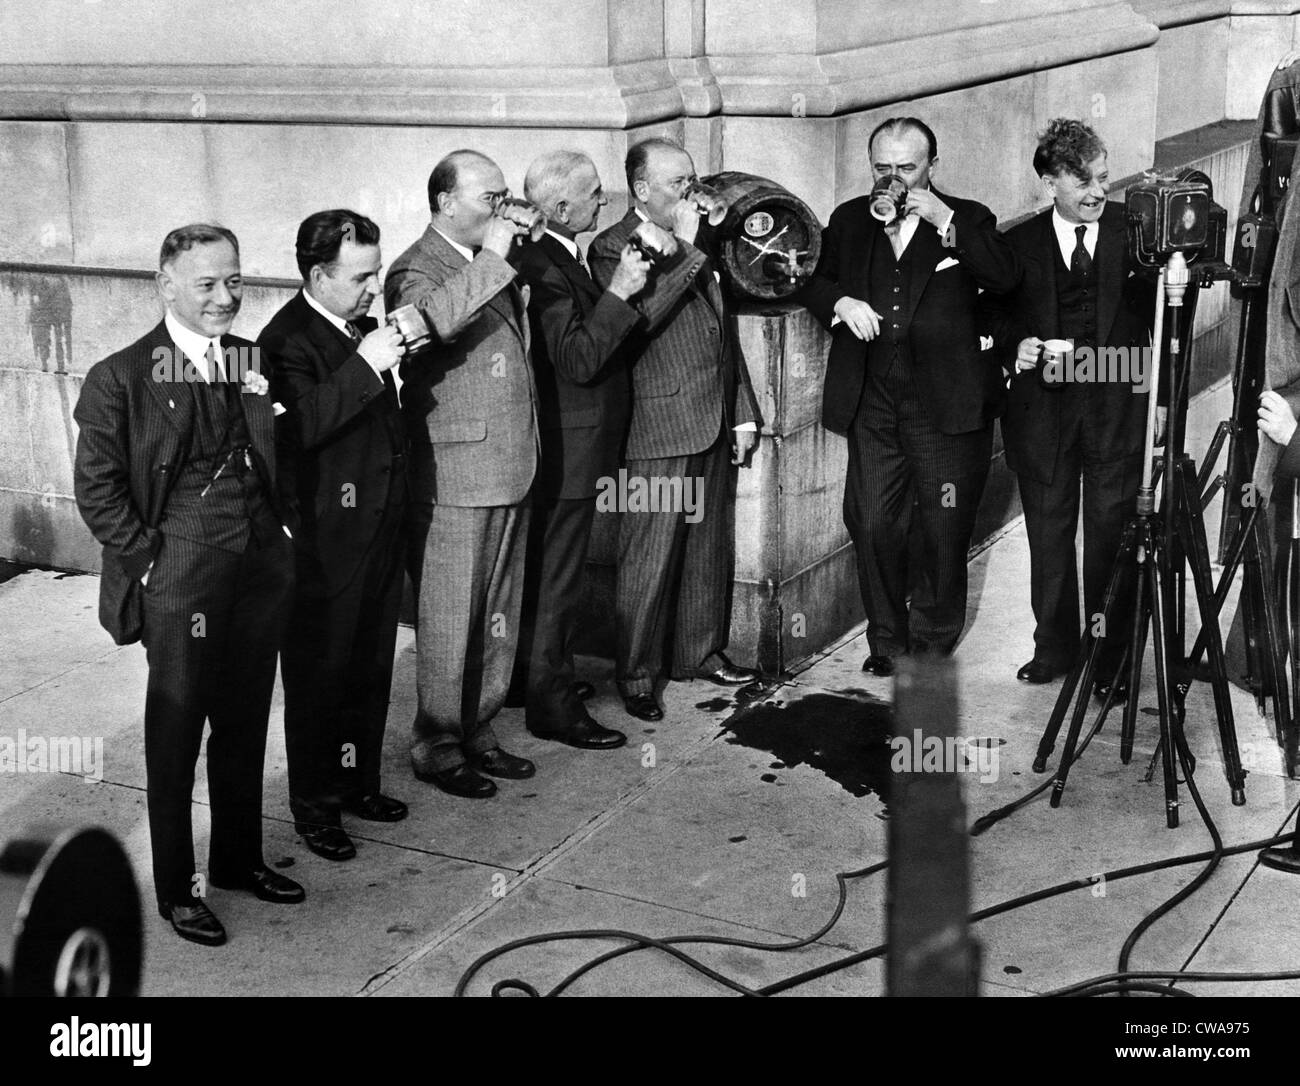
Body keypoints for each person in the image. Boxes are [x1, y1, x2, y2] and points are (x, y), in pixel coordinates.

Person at [73, 223, 303, 947]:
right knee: (176, 731)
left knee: (242, 721)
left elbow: (278, 450)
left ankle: (237, 860)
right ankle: (179, 889)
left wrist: (284, 531)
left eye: (233, 281)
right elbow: (97, 488)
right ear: (166, 284)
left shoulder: (249, 360)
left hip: (258, 568)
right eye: (207, 284)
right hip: (180, 574)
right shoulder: (121, 377)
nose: (224, 297)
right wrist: (149, 562)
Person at [799, 117, 1019, 675]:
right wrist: (840, 304)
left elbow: (1005, 279)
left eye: (906, 167)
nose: (892, 179)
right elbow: (811, 279)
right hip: (873, 397)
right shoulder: (850, 220)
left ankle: (932, 637)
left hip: (945, 401)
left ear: (931, 168)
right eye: (881, 168)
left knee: (942, 526)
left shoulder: (967, 218)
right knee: (871, 521)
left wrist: (947, 223)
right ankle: (886, 638)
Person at [588, 137, 762, 723]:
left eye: (691, 180)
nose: (690, 192)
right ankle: (636, 674)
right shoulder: (612, 247)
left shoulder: (699, 243)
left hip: (710, 418)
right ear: (641, 190)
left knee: (706, 550)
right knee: (647, 556)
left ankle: (699, 652)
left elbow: (722, 330)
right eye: (676, 184)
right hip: (657, 427)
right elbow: (636, 323)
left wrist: (741, 410)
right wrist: (686, 246)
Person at [983, 119, 1157, 699]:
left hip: (1114, 409)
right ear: (1048, 183)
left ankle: (1110, 662)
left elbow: (1159, 315)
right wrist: (1019, 346)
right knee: (1049, 535)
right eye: (1081, 181)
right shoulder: (1018, 246)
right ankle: (1052, 647)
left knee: (1109, 535)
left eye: (1102, 178)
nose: (1096, 192)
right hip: (1042, 416)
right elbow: (990, 313)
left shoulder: (1134, 237)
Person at [384, 150, 539, 799]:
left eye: (505, 196)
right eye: (490, 198)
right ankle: (437, 740)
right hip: (454, 468)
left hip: (508, 461)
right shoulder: (415, 268)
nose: (502, 210)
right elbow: (431, 325)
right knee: (450, 613)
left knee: (497, 610)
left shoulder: (488, 258)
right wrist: (495, 261)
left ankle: (479, 725)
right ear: (446, 202)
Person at [258, 209, 410, 862]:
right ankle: (316, 809)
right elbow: (294, 432)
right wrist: (367, 366)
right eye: (360, 277)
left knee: (369, 670)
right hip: (326, 542)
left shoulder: (357, 325)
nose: (373, 288)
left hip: (378, 532)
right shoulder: (285, 340)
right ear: (319, 275)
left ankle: (357, 783)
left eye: (374, 274)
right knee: (320, 681)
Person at [511, 150, 653, 748]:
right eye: (595, 194)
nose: (606, 201)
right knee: (557, 582)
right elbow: (577, 358)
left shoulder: (557, 255)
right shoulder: (542, 267)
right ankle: (552, 705)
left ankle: (538, 677)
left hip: (578, 449)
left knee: (550, 574)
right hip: (569, 455)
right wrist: (620, 292)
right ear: (562, 206)